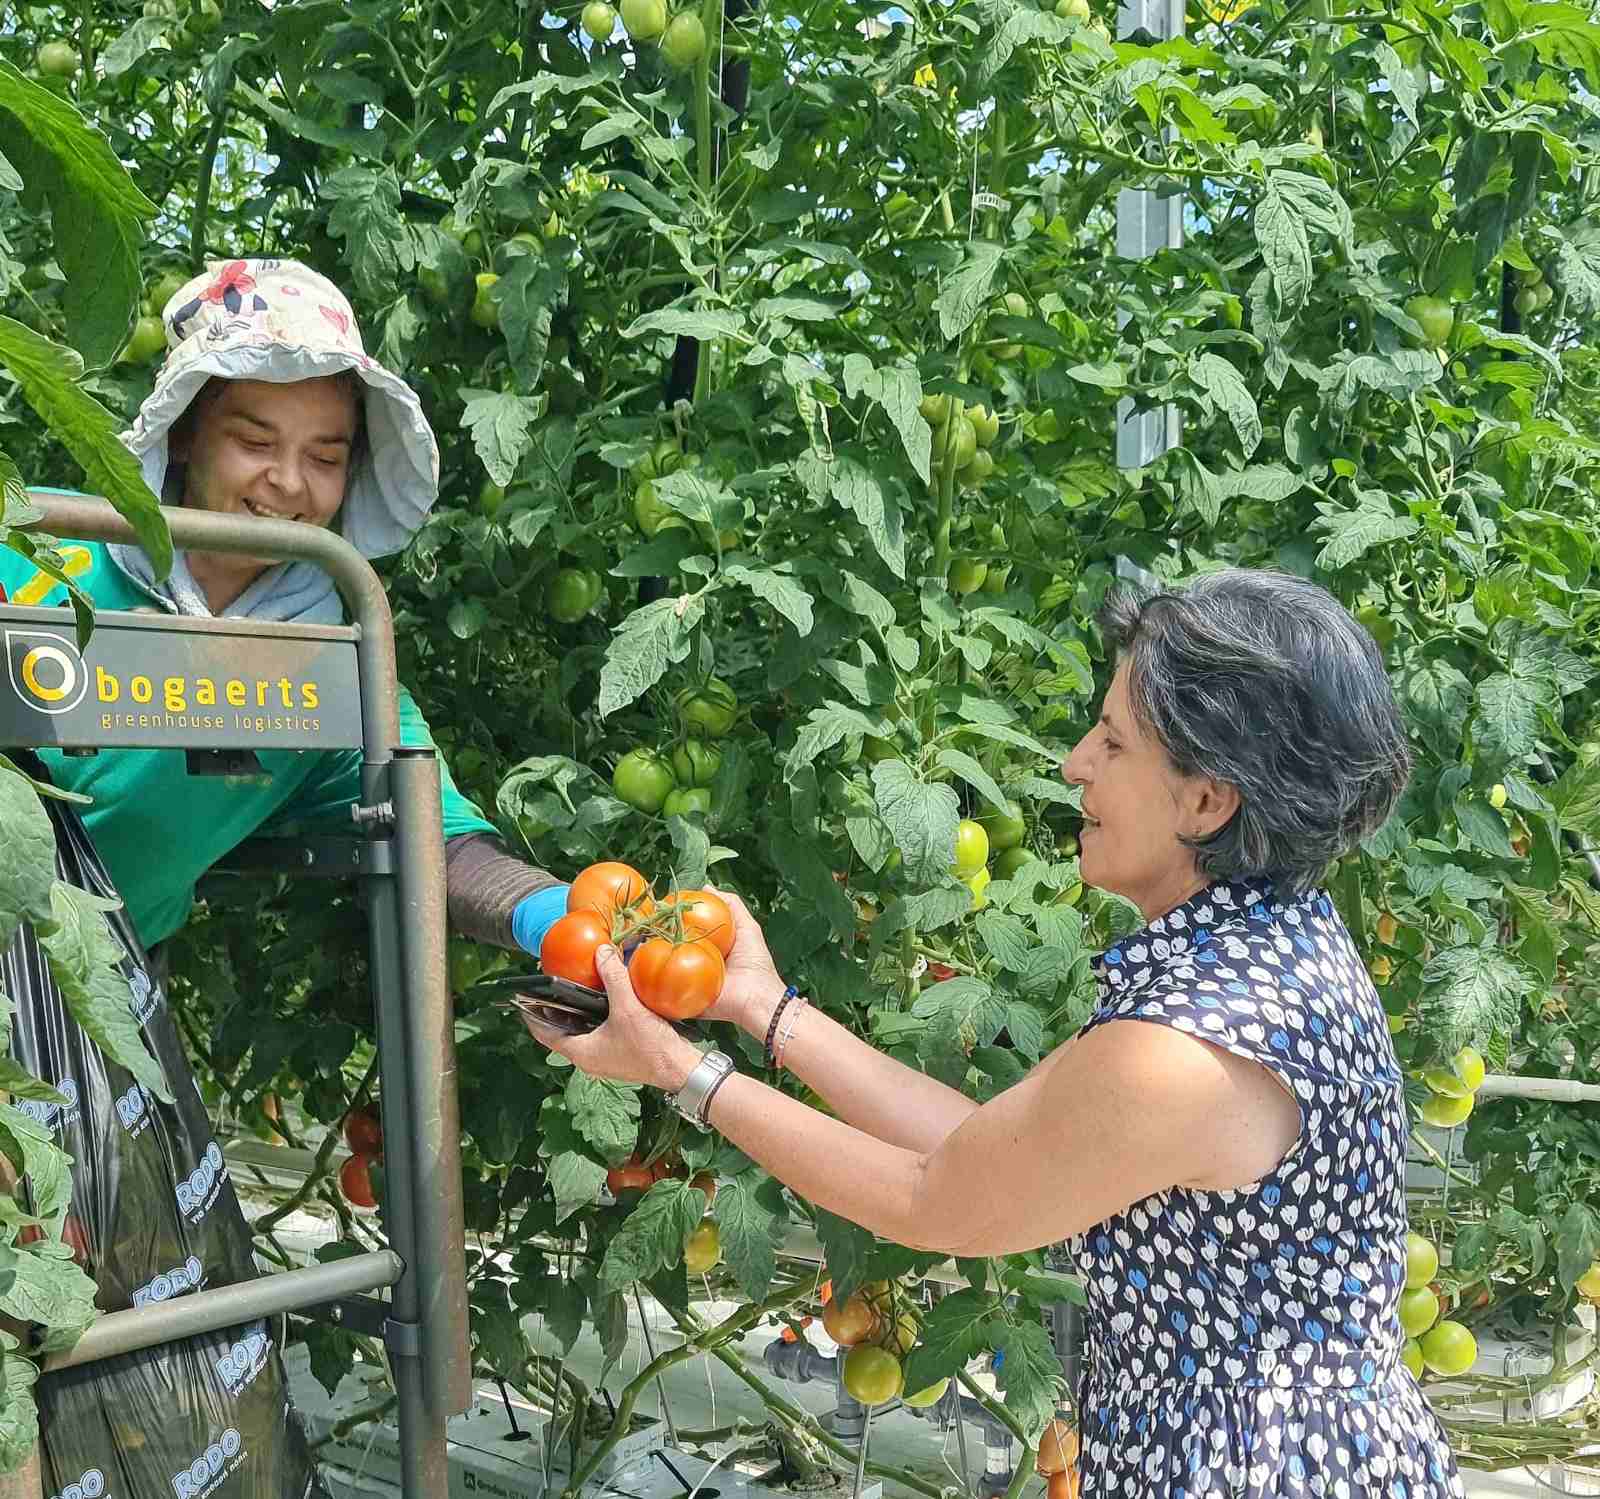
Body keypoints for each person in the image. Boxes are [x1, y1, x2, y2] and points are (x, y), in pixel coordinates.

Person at [526, 569, 1467, 1498]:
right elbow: (982, 1144)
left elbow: (937, 1200)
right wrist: (764, 1006)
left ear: (1207, 801)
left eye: (1113, 742)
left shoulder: (1186, 1043)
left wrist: (679, 1070)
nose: (1075, 764)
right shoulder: (1264, 953)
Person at [5, 258, 573, 958]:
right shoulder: (36, 551)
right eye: (254, 442)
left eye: (325, 458)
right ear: (182, 435)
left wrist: (553, 915)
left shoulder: (330, 674)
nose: (289, 482)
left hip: (93, 986)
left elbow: (439, 835)